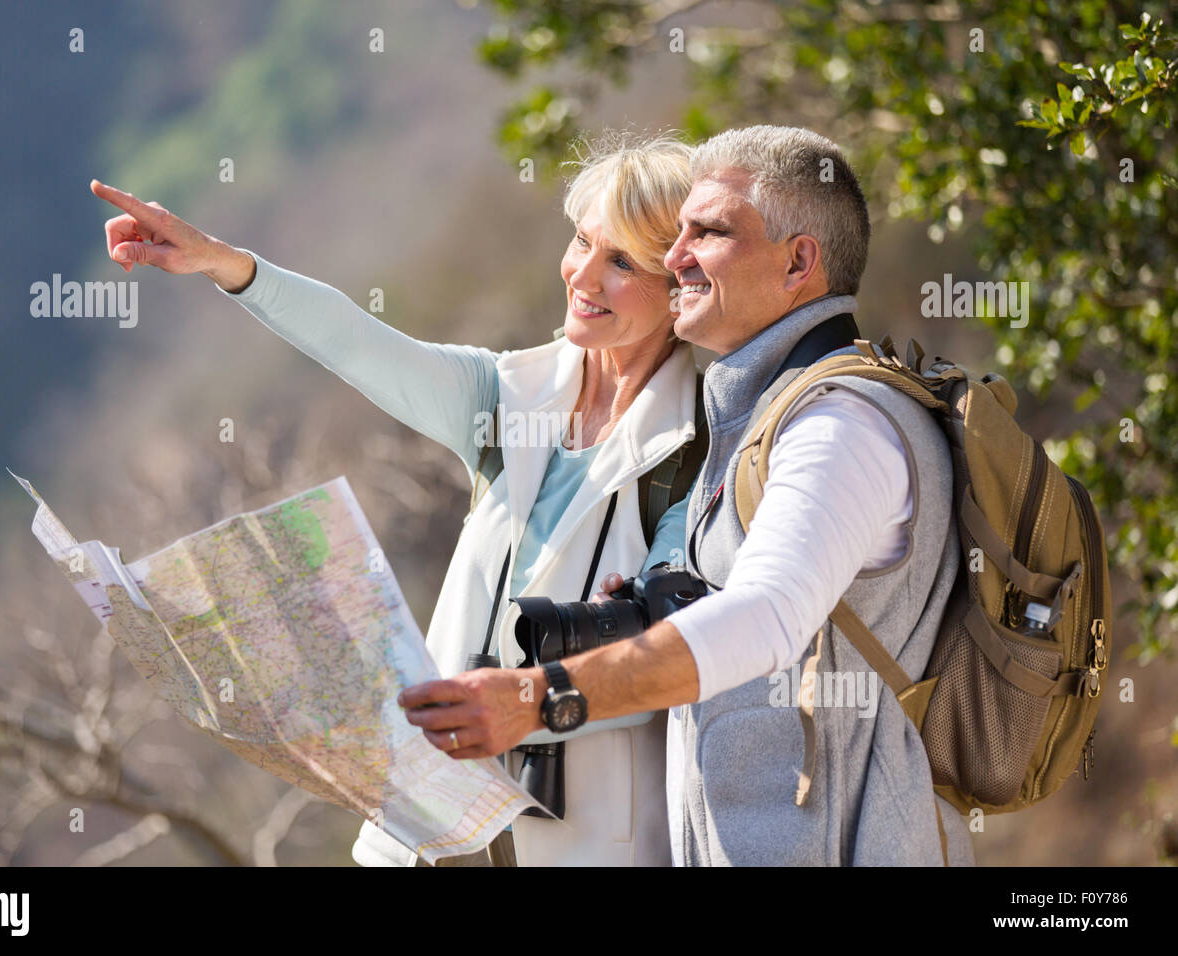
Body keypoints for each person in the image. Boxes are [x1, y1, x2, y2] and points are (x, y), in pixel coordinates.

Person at [89, 132, 702, 866]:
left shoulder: (698, 443)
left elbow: (680, 652)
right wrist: (224, 264)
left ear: (680, 288)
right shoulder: (510, 395)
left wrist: (526, 702)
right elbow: (359, 344)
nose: (583, 276)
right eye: (581, 241)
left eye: (622, 263)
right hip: (426, 834)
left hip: (587, 843)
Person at [399, 125, 977, 866]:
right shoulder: (756, 420)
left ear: (800, 260)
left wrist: (535, 698)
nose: (675, 260)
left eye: (707, 232)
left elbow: (764, 618)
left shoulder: (840, 425)